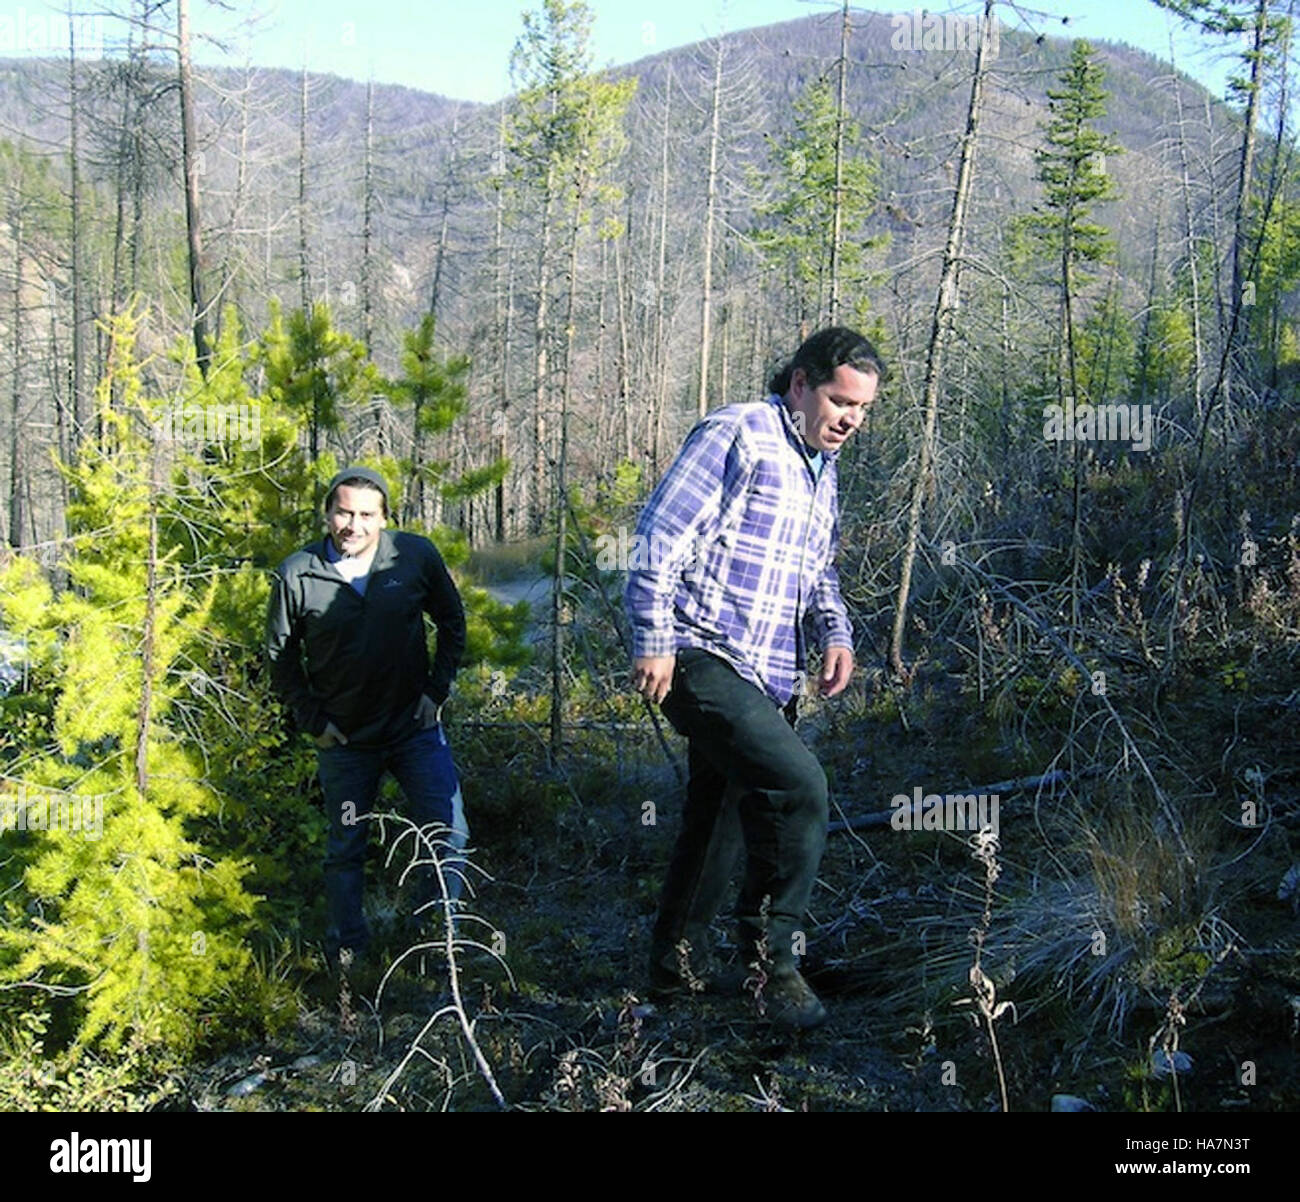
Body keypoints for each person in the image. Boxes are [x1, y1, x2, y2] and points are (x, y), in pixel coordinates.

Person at [625, 327, 886, 1030]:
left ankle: (671, 979)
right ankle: (775, 966)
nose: (850, 419)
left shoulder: (819, 468)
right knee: (799, 787)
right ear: (800, 382)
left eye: (861, 409)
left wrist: (835, 632)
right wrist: (652, 641)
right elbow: (658, 536)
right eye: (840, 401)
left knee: (715, 823)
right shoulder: (738, 432)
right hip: (700, 655)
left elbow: (818, 570)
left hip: (766, 674)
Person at [265, 465, 468, 969]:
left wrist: (435, 691)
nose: (352, 525)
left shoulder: (413, 556)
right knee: (346, 848)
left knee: (448, 833)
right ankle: (347, 957)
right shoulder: (298, 573)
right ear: (327, 513)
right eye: (343, 512)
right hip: (346, 741)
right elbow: (279, 657)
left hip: (414, 730)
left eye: (365, 515)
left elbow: (452, 620)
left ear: (383, 519)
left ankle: (436, 948)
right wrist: (314, 720)